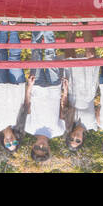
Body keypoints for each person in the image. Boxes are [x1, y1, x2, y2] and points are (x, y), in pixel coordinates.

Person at [25, 23, 68, 162]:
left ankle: (38, 26)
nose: (41, 146)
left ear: (33, 146)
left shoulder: (29, 128)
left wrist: (29, 87)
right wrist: (65, 91)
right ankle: (48, 26)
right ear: (49, 149)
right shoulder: (59, 131)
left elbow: (27, 106)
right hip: (54, 87)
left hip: (36, 87)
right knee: (51, 55)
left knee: (36, 55)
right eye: (44, 149)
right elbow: (62, 109)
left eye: (38, 148)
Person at [0, 24, 28, 154]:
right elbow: (26, 103)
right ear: (17, 139)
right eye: (14, 143)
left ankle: (3, 25)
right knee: (15, 57)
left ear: (2, 142)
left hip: (0, 87)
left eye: (8, 144)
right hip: (17, 86)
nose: (10, 141)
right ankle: (13, 27)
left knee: (1, 56)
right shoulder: (19, 123)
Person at [64, 29, 101, 152]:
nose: (75, 138)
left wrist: (64, 89)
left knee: (69, 55)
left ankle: (72, 26)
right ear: (83, 140)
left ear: (68, 136)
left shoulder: (68, 122)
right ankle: (86, 24)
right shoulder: (93, 125)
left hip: (73, 89)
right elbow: (102, 108)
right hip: (88, 89)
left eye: (71, 139)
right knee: (90, 55)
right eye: (77, 141)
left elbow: (64, 104)